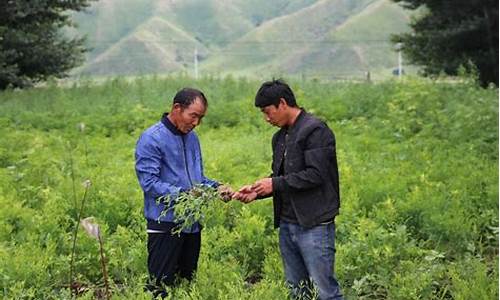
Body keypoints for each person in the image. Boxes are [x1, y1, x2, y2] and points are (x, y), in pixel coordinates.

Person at [233, 79, 343, 300]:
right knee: (297, 290)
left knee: (325, 292)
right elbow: (283, 178)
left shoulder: (315, 130)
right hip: (288, 223)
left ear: (282, 103)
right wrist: (259, 190)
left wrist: (274, 184)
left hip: (313, 224)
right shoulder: (280, 137)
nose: (266, 118)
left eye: (267, 112)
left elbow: (316, 174)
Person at [135, 88, 232, 298]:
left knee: (187, 285)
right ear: (177, 108)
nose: (196, 123)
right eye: (193, 116)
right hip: (165, 225)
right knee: (161, 288)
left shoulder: (192, 138)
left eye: (201, 118)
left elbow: (198, 180)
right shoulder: (151, 138)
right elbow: (149, 183)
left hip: (191, 224)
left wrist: (216, 188)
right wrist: (184, 194)